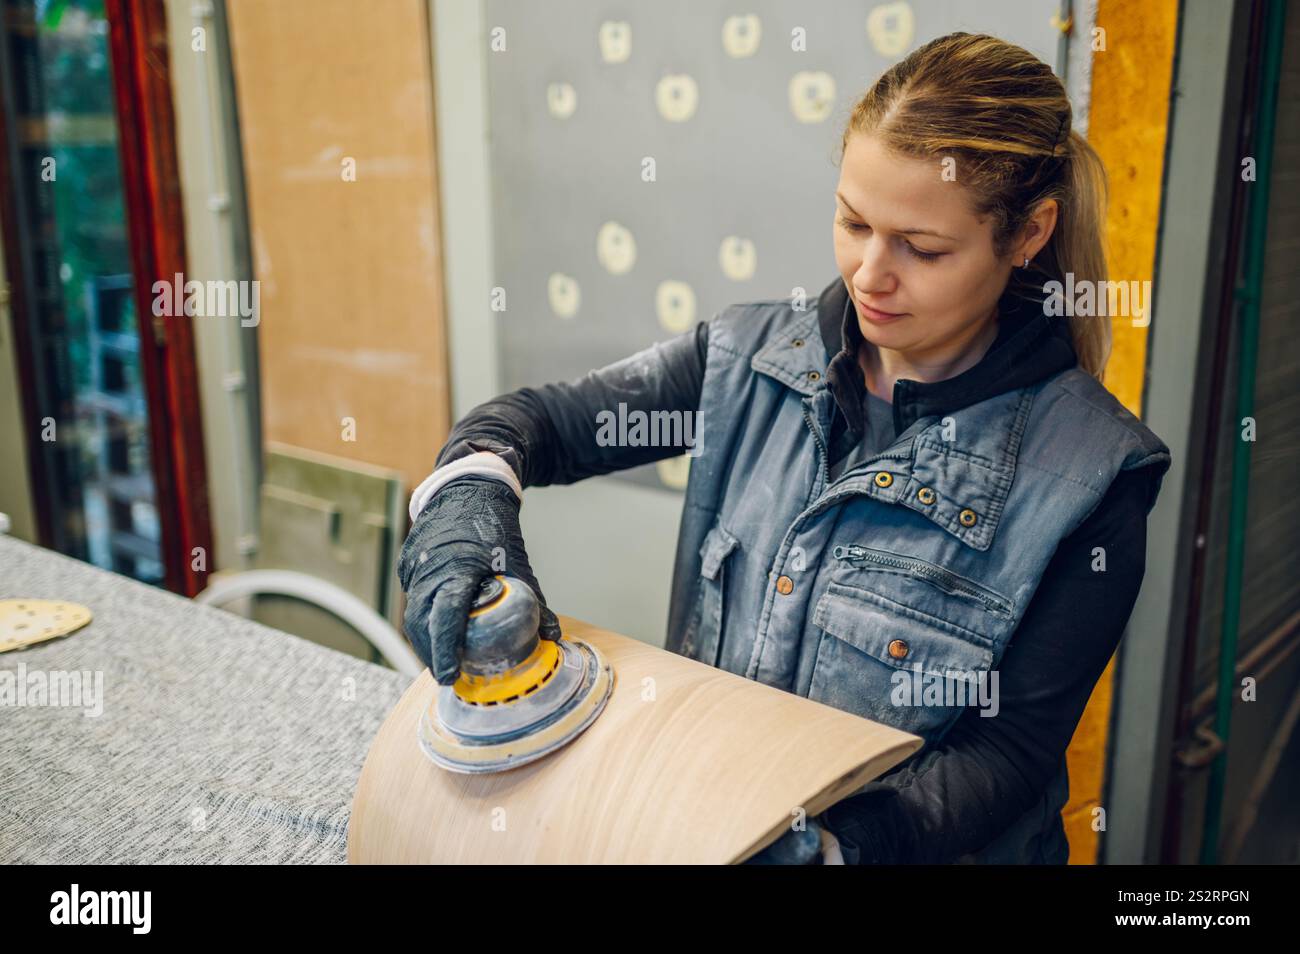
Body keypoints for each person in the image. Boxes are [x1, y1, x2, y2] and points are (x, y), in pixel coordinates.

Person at [397, 32, 1171, 865]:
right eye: (853, 221)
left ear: (1028, 235)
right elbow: (533, 424)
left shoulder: (1094, 478)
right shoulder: (746, 358)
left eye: (922, 247)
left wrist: (830, 851)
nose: (871, 272)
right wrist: (466, 498)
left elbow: (1005, 757)